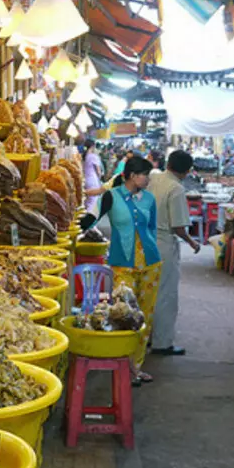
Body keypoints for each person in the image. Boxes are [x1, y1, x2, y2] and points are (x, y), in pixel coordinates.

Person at [79, 156, 161, 383]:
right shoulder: (110, 197)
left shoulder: (149, 199)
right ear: (133, 176)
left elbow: (152, 229)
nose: (148, 179)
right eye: (145, 174)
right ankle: (123, 365)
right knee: (123, 314)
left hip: (151, 263)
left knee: (145, 315)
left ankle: (136, 366)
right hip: (121, 263)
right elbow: (89, 220)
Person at [149, 150, 201, 356]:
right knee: (164, 295)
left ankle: (145, 337)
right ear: (187, 171)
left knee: (147, 291)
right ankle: (162, 343)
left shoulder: (152, 178)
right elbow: (179, 226)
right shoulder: (176, 188)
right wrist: (192, 242)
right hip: (163, 245)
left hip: (143, 241)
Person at [82, 139, 104, 211]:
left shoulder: (84, 156)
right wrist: (100, 178)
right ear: (93, 146)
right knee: (93, 201)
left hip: (86, 180)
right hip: (93, 180)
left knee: (87, 200)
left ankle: (85, 216)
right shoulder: (93, 156)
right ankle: (89, 218)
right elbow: (98, 171)